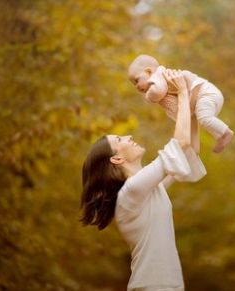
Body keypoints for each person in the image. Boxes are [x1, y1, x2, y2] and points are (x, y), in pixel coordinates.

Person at [80, 70, 206, 291]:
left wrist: (191, 109)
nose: (129, 137)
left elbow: (190, 149)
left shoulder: (148, 188)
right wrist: (183, 92)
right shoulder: (132, 191)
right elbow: (182, 142)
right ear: (116, 158)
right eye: (120, 139)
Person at [128, 54, 234, 153]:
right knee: (203, 120)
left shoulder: (157, 78)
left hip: (204, 93)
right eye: (133, 84)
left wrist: (148, 97)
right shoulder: (160, 78)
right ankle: (219, 136)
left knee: (204, 118)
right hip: (204, 97)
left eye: (136, 80)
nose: (136, 86)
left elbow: (157, 92)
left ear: (149, 72)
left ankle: (226, 133)